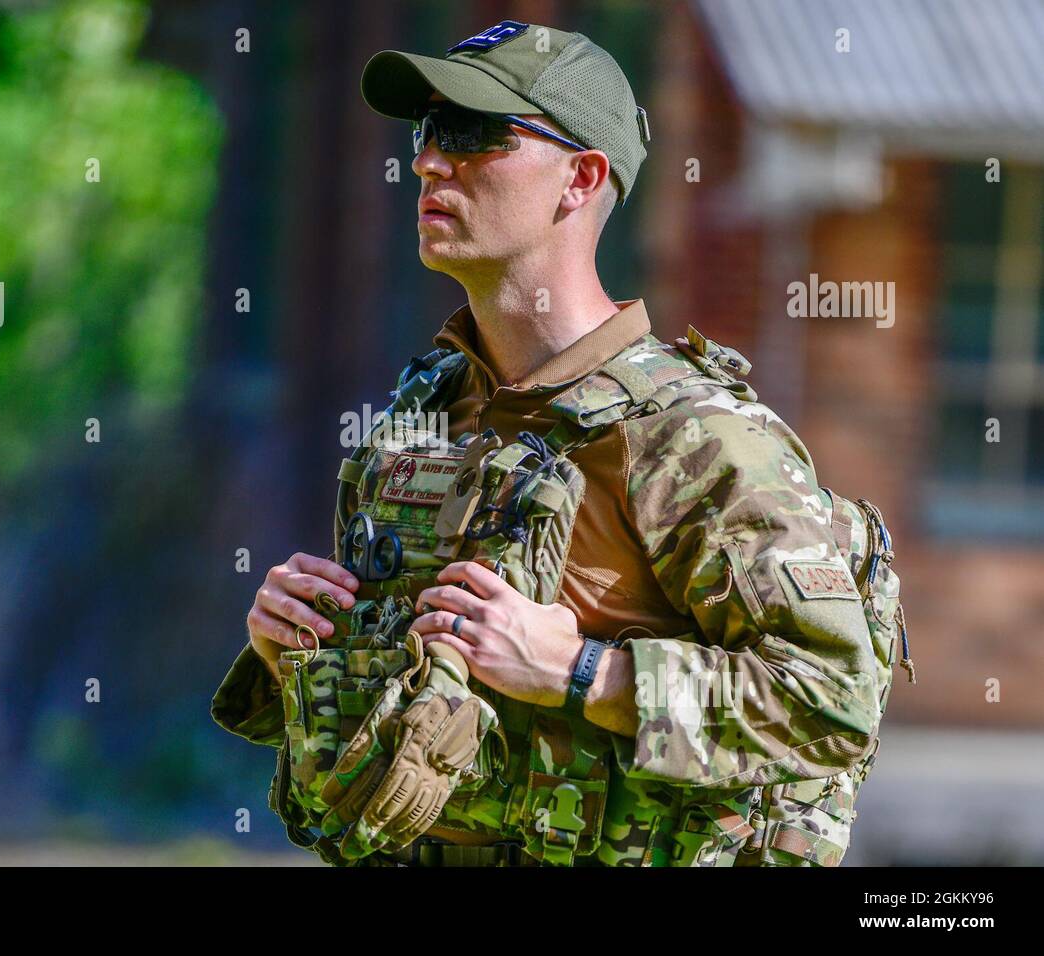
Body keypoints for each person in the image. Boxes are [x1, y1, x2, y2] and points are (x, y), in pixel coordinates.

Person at [212, 20, 905, 867]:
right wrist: (294, 646)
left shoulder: (695, 438)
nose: (429, 163)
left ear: (580, 178)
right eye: (428, 134)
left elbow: (833, 705)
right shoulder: (422, 415)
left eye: (472, 134)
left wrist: (584, 673)